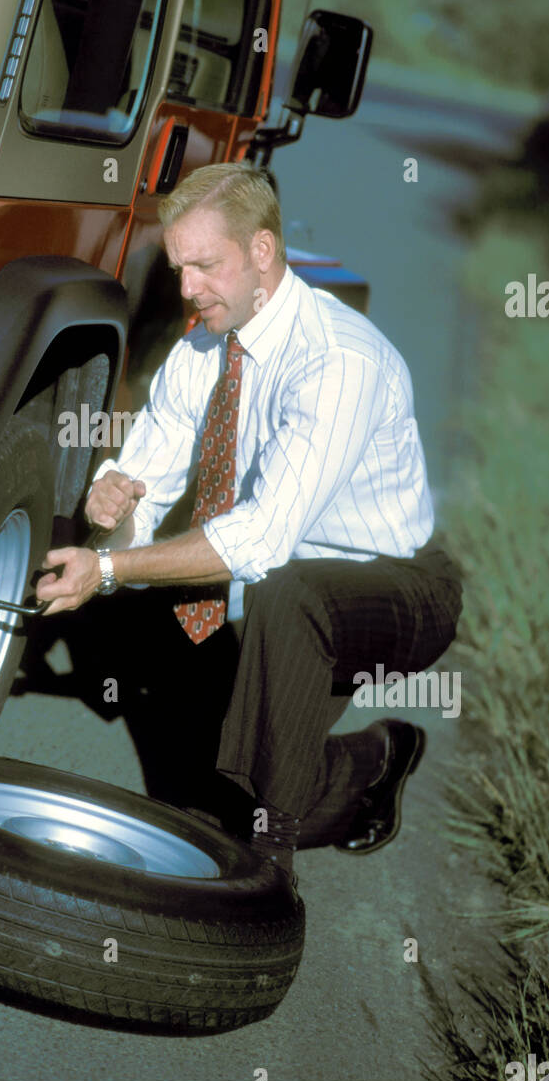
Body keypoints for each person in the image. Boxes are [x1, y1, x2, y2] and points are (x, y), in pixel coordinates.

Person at [35, 162, 463, 910]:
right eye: (177, 267)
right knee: (214, 785)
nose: (188, 288)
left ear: (262, 251)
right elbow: (144, 497)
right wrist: (113, 512)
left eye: (206, 265)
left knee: (283, 612)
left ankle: (266, 879)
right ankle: (373, 763)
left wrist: (105, 572)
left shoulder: (336, 361)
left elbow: (261, 540)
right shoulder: (200, 353)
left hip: (389, 588)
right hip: (269, 597)